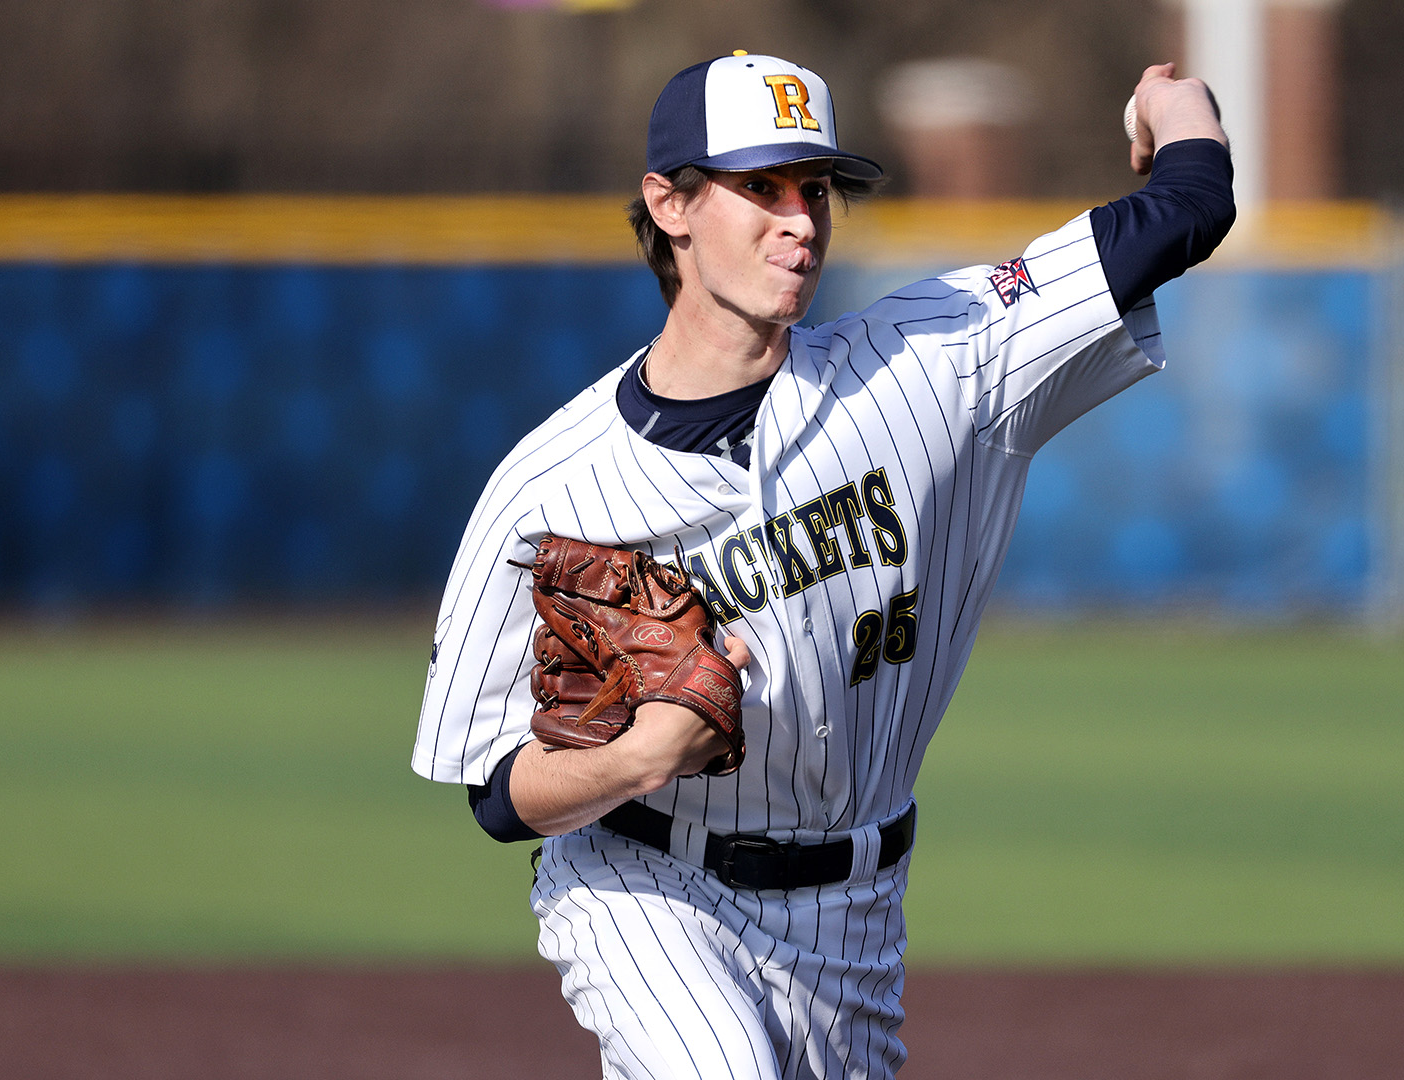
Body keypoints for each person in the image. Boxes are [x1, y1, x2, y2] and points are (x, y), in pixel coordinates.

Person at [412, 50, 1233, 1080]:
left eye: (816, 189)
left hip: (856, 916)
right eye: (759, 189)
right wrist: (633, 760)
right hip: (645, 884)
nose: (800, 219)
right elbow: (495, 794)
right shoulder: (552, 487)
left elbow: (1187, 209)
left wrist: (1175, 103)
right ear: (670, 204)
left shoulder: (933, 368)